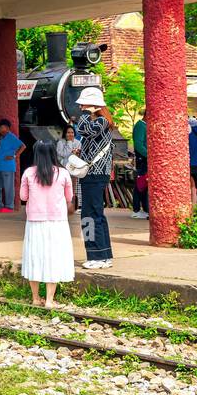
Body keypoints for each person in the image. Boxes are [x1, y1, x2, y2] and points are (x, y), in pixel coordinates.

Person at [20, 140, 75, 307]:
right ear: (53, 153)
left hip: (35, 222)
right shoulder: (63, 173)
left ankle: (36, 298)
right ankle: (50, 300)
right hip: (57, 222)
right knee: (54, 257)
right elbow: (69, 198)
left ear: (36, 154)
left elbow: (23, 197)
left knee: (34, 257)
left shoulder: (29, 173)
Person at [73, 89, 115, 269]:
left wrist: (84, 114)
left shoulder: (101, 121)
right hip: (95, 174)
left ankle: (95, 256)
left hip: (94, 174)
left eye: (83, 104)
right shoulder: (102, 121)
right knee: (97, 214)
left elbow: (83, 130)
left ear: (93, 106)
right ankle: (104, 255)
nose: (80, 107)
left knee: (89, 215)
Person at [0, 119, 24, 213]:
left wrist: (14, 156)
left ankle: (9, 206)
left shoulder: (11, 137)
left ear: (7, 128)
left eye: (1, 127)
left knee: (8, 187)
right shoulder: (2, 138)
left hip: (8, 167)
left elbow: (23, 146)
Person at [56, 125, 82, 212]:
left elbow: (78, 156)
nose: (70, 134)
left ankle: (71, 208)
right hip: (63, 169)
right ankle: (61, 207)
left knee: (72, 189)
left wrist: (76, 154)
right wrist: (70, 143)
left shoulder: (78, 142)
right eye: (68, 132)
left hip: (73, 169)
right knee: (62, 188)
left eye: (72, 132)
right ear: (65, 133)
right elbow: (63, 154)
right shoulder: (61, 142)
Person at [131, 110, 148, 219]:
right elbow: (138, 145)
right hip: (143, 159)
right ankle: (136, 209)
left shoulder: (144, 126)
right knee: (140, 184)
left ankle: (144, 208)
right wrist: (149, 155)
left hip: (145, 158)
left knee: (144, 185)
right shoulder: (140, 126)